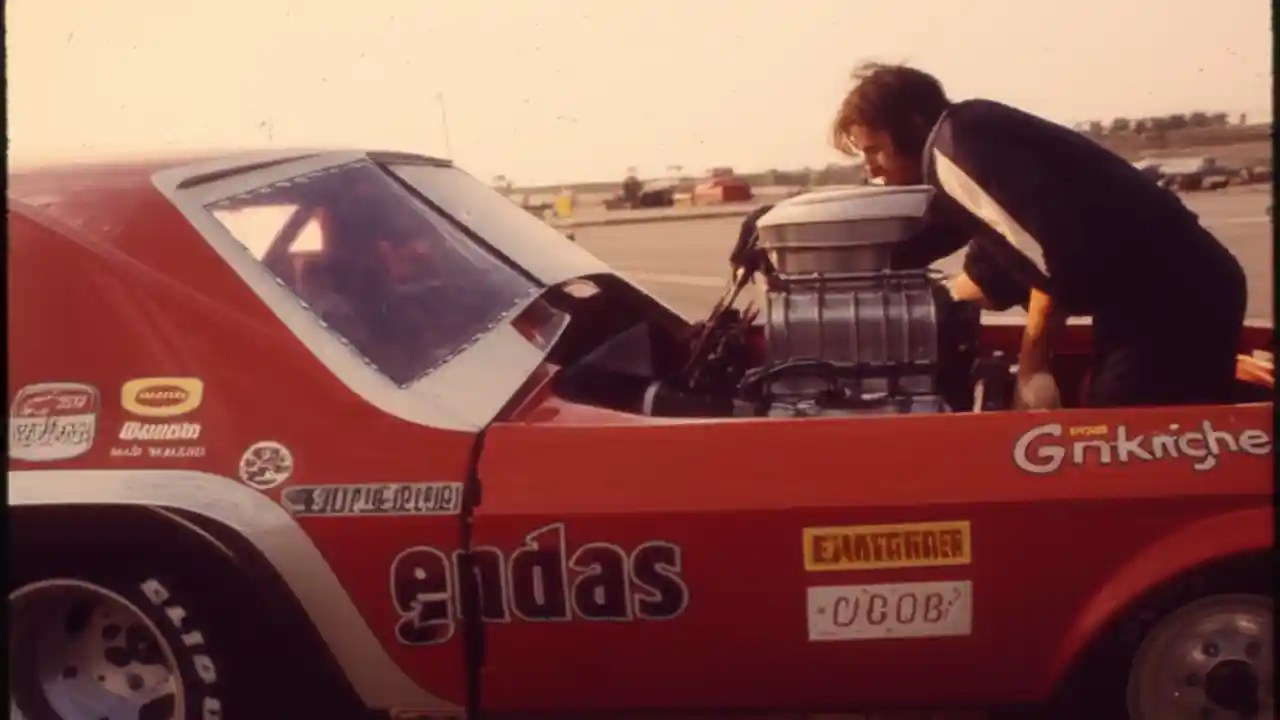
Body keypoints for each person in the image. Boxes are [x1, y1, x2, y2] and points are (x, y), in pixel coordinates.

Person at [828, 62, 1247, 408]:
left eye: (874, 150)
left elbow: (1055, 262)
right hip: (1173, 292)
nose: (872, 170)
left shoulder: (953, 151)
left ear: (912, 123)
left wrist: (1033, 369)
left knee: (1118, 432)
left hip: (1172, 302)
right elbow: (978, 251)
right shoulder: (965, 135)